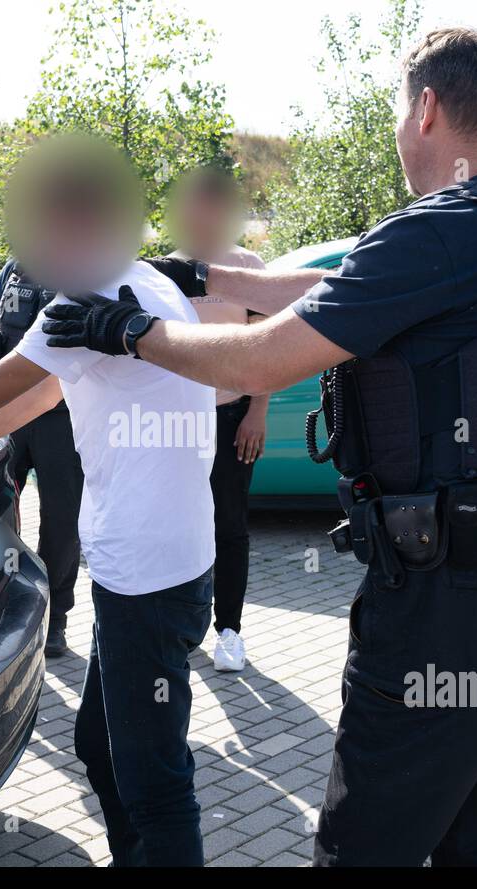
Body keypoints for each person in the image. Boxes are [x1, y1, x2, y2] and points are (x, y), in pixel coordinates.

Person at [39, 28, 477, 866]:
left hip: (457, 591)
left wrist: (135, 331)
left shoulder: (447, 225)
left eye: (396, 113)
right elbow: (331, 286)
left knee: (365, 842)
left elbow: (266, 356)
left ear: (427, 108)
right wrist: (207, 278)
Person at [0, 135, 215, 866]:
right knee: (98, 745)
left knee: (154, 782)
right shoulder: (149, 285)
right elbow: (39, 393)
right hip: (166, 564)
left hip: (144, 574)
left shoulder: (82, 303)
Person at [165, 167, 268, 672]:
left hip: (232, 419)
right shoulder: (165, 269)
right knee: (184, 524)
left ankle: (230, 630)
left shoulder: (247, 266)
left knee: (229, 526)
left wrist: (258, 411)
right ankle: (186, 627)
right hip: (178, 423)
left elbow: (267, 349)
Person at [0, 260, 82, 658]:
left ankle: (55, 618)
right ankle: (0, 606)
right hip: (4, 412)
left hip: (62, 420)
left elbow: (66, 370)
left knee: (61, 522)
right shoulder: (16, 266)